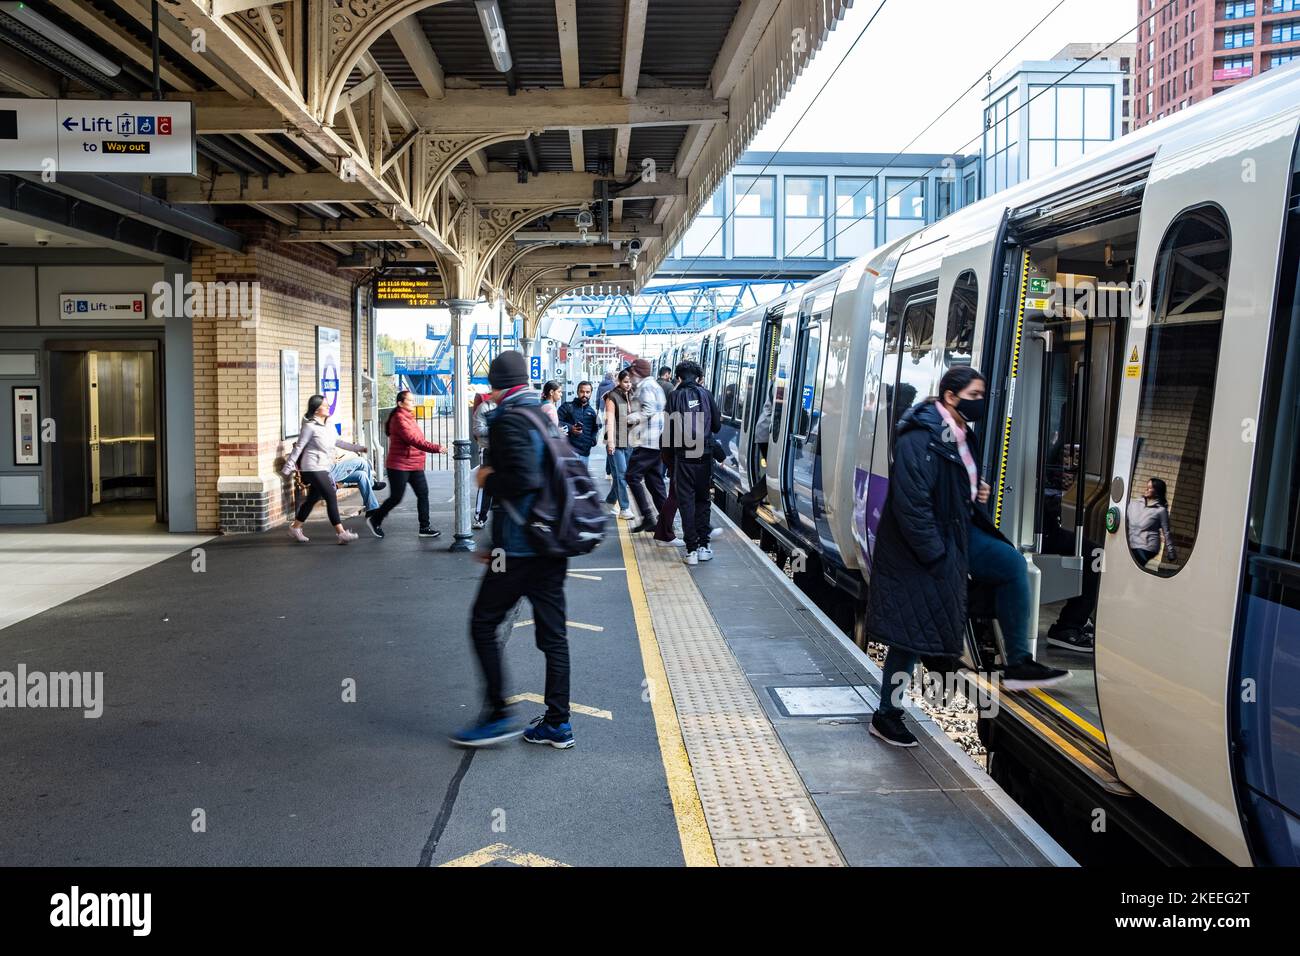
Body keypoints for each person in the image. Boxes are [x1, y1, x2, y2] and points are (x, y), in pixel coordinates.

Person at [864, 366, 1070, 748]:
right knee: (909, 634)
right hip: (922, 547)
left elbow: (952, 482)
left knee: (1010, 565)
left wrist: (976, 490)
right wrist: (937, 557)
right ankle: (886, 715)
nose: (981, 402)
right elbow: (912, 504)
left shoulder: (959, 432)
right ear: (950, 396)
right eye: (974, 395)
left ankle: (1018, 662)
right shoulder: (920, 437)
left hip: (955, 533)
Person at [452, 350, 574, 750]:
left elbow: (520, 479)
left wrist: (487, 476)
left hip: (519, 549)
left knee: (482, 622)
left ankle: (498, 714)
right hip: (554, 542)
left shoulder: (507, 419)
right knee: (553, 635)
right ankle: (558, 723)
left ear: (495, 384)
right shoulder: (544, 415)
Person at [282, 394, 365, 545]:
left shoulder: (328, 426)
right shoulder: (309, 426)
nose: (328, 408)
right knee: (330, 495)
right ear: (316, 409)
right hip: (312, 468)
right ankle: (341, 533)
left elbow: (337, 442)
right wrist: (288, 468)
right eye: (325, 406)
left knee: (312, 499)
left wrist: (359, 448)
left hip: (323, 467)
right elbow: (299, 447)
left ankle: (295, 527)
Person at [366, 389, 444, 540]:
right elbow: (414, 440)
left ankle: (424, 527)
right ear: (400, 403)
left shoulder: (409, 417)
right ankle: (375, 519)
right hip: (399, 465)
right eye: (410, 400)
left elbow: (416, 440)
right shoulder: (399, 419)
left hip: (414, 463)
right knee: (396, 497)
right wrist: (436, 448)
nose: (413, 403)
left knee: (423, 493)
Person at [664, 359, 721, 566]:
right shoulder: (706, 394)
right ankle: (705, 547)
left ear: (678, 377)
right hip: (705, 455)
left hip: (683, 456)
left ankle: (691, 551)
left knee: (686, 501)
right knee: (703, 500)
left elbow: (669, 431)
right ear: (698, 378)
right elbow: (716, 426)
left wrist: (669, 460)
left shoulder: (674, 396)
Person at [623, 358, 668, 534]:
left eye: (632, 373)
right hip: (656, 441)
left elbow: (649, 410)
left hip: (648, 442)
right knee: (654, 483)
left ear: (637, 372)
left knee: (631, 476)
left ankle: (648, 517)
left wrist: (630, 419)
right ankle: (665, 522)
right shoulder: (655, 386)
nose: (630, 376)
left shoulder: (647, 387)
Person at [603, 369, 635, 519]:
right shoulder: (612, 396)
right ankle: (624, 508)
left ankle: (608, 504)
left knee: (619, 476)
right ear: (619, 382)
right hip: (615, 440)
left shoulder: (631, 395)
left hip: (629, 440)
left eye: (630, 381)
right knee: (622, 475)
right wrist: (610, 443)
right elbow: (609, 420)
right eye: (625, 382)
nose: (628, 385)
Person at [1127, 477, 1176, 569]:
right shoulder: (1136, 503)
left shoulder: (1161, 510)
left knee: (1131, 567)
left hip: (1146, 547)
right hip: (1131, 543)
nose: (1146, 489)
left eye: (1150, 488)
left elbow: (1166, 532)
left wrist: (1171, 551)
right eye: (1147, 487)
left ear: (1157, 491)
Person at [331, 451, 385, 517]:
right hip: (327, 472)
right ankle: (372, 484)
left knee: (362, 475)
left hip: (331, 471)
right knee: (361, 461)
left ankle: (371, 508)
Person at [558, 380, 600, 461]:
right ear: (577, 392)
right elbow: (556, 422)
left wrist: (592, 441)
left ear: (591, 393)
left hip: (585, 454)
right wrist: (571, 428)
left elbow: (595, 429)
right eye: (582, 392)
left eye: (587, 392)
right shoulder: (567, 407)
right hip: (569, 452)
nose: (585, 395)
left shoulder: (592, 412)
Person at [472, 392, 496, 530]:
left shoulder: (507, 406)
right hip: (487, 448)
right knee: (485, 483)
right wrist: (497, 429)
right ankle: (480, 517)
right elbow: (477, 430)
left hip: (502, 449)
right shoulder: (484, 407)